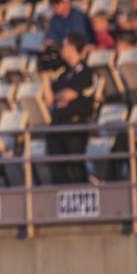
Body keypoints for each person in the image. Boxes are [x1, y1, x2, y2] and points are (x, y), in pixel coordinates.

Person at [44, 34, 96, 183]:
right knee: (57, 168)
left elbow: (68, 95)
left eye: (65, 46)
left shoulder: (85, 72)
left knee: (75, 166)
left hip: (74, 124)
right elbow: (49, 100)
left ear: (73, 48)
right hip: (57, 124)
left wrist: (56, 96)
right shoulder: (64, 74)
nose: (62, 50)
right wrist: (44, 78)